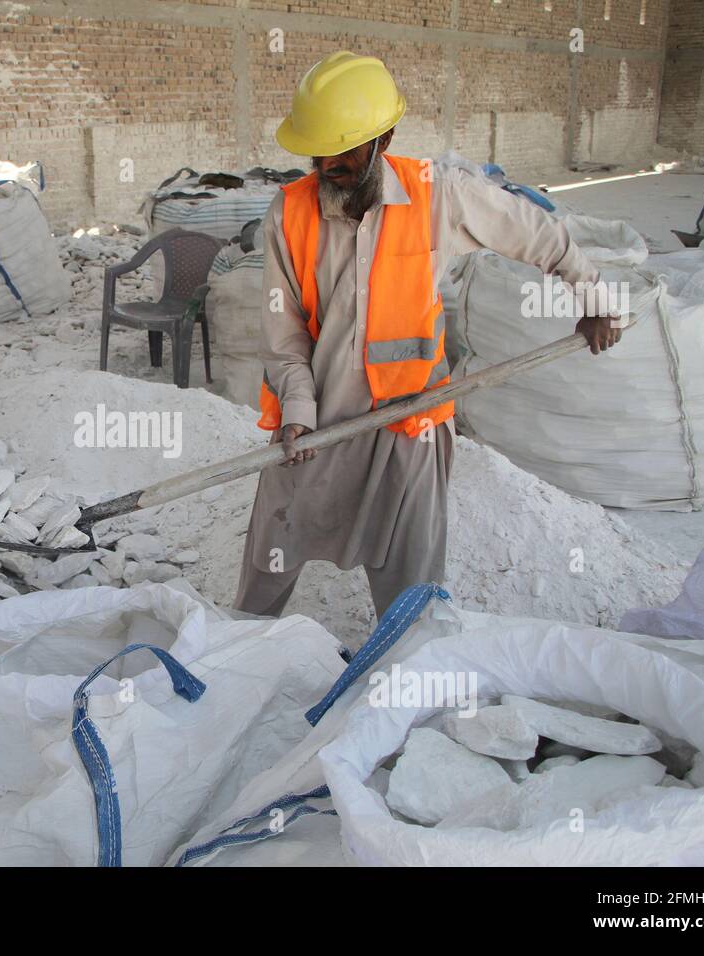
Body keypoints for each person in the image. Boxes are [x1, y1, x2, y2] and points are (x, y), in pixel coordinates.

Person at [235, 51, 622, 620]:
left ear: (383, 140)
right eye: (319, 150)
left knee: (411, 582)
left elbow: (536, 233)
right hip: (317, 421)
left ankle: (405, 672)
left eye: (344, 149)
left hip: (408, 422)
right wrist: (297, 406)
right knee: (272, 553)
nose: (328, 163)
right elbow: (282, 327)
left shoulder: (439, 195)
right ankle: (232, 655)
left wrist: (593, 296)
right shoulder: (288, 214)